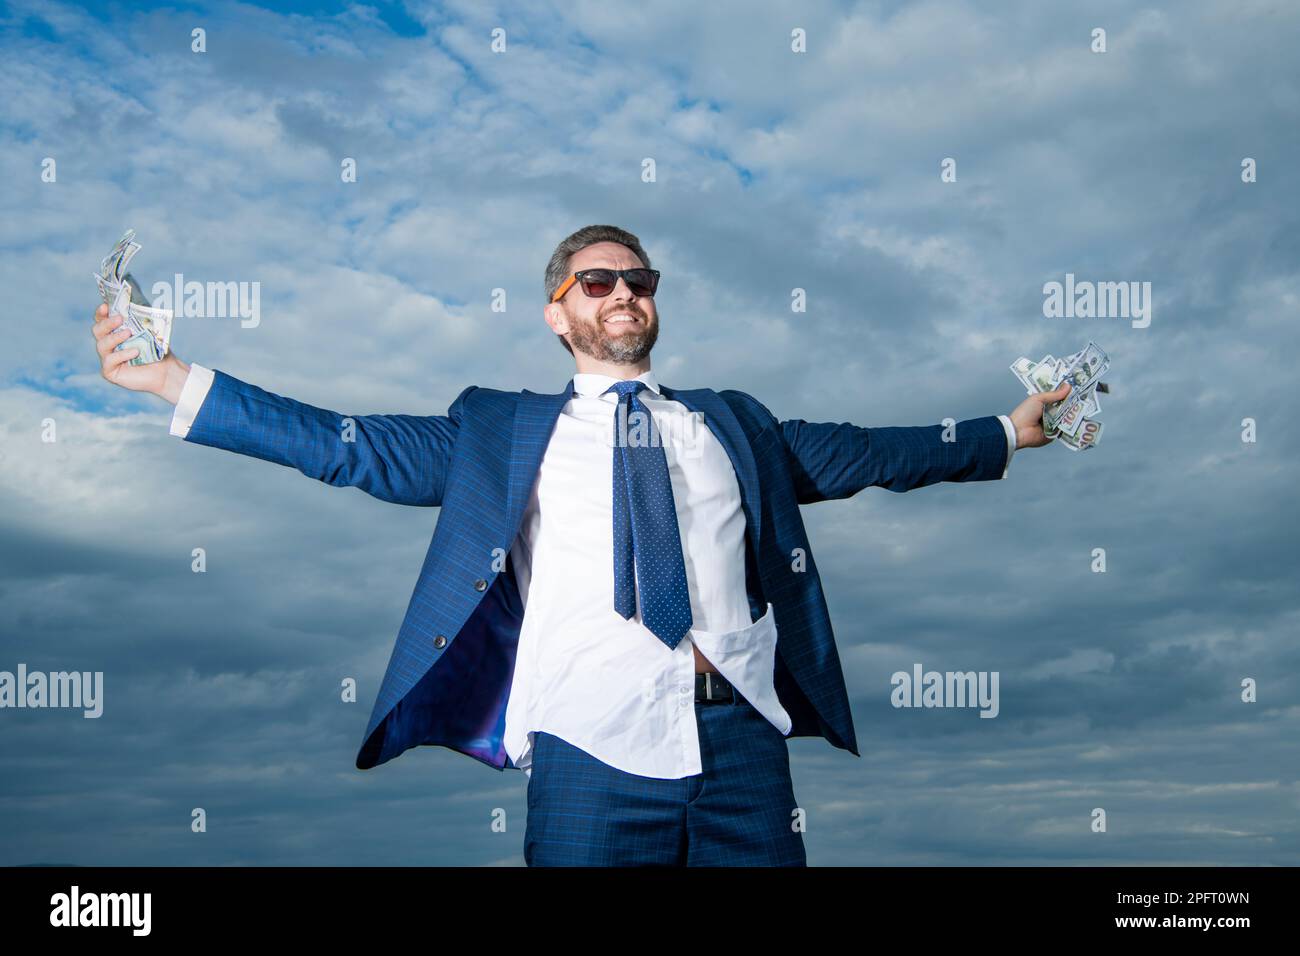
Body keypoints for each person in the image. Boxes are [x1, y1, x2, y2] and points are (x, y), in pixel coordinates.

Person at [91, 224, 1070, 866]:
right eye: (596, 279)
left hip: (741, 742)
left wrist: (1004, 429)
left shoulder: (732, 423)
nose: (623, 292)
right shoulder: (501, 430)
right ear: (557, 310)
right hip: (589, 746)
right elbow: (346, 445)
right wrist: (174, 379)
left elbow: (865, 451)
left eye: (637, 279)